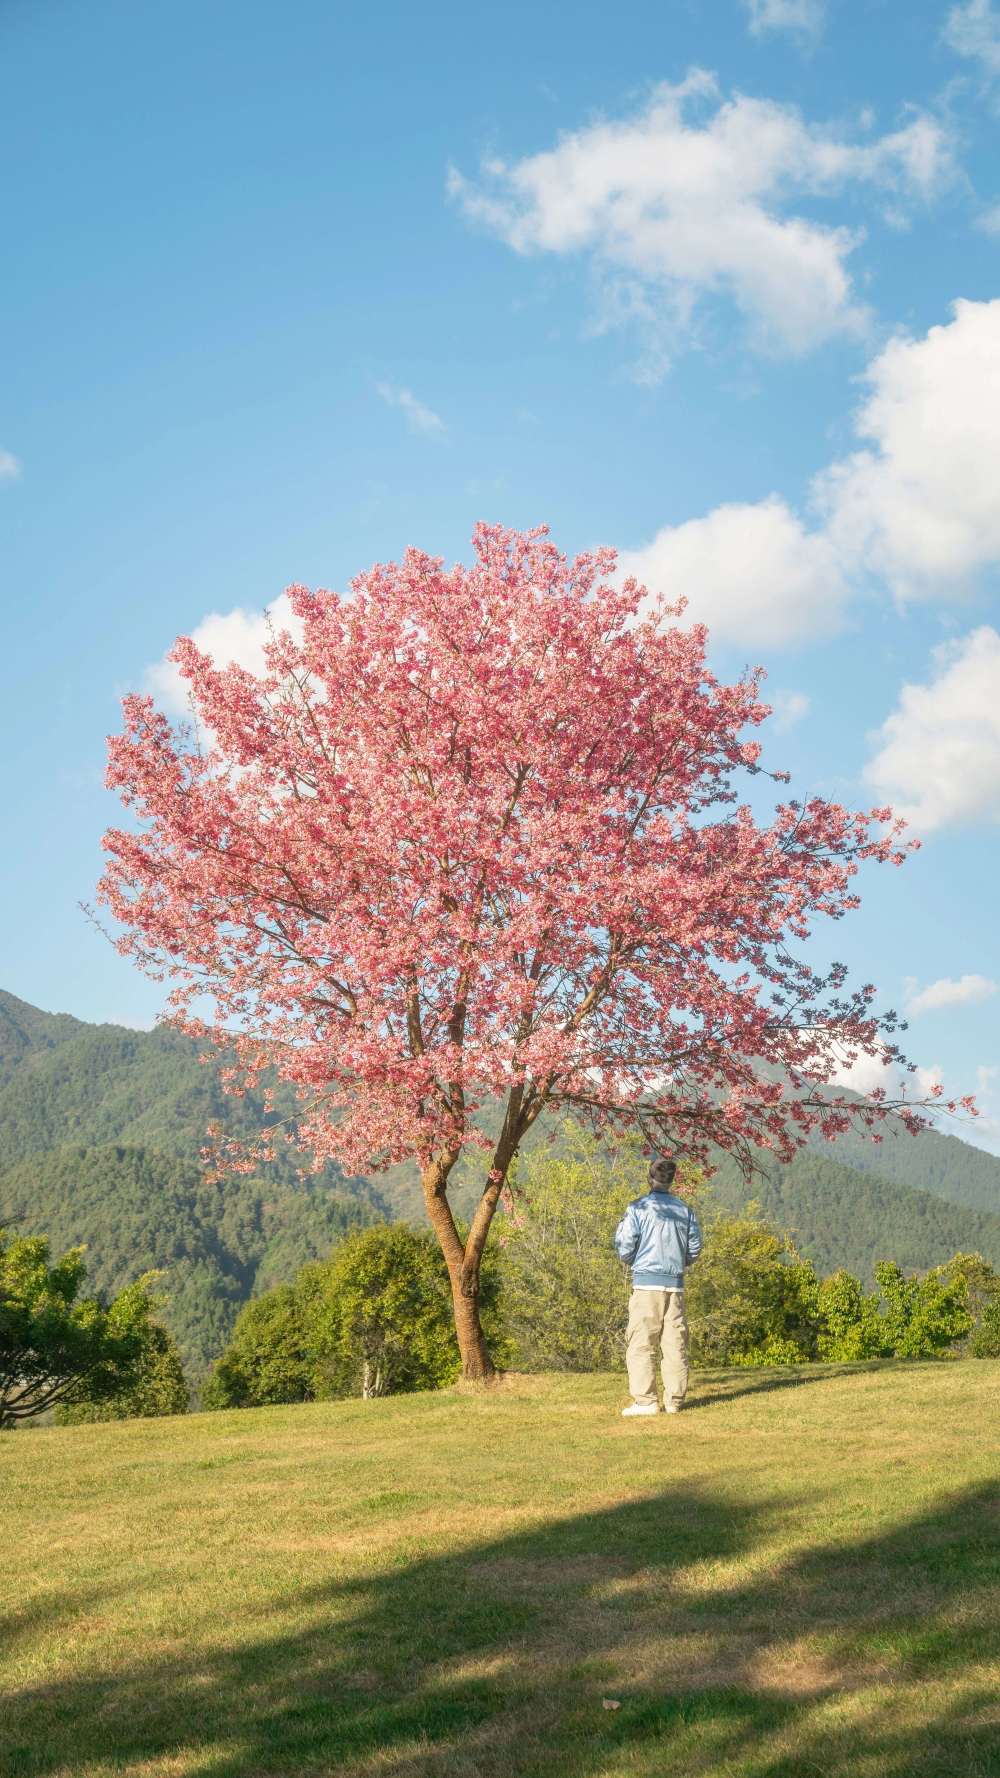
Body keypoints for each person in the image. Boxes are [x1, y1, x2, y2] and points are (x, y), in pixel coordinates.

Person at [613, 1156, 703, 1417]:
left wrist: (633, 1259)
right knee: (675, 1343)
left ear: (649, 1179)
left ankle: (646, 1401)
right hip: (675, 1286)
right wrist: (678, 1263)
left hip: (646, 1284)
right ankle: (675, 1400)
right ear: (671, 1181)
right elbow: (695, 1248)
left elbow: (625, 1248)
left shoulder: (638, 1208)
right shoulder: (684, 1210)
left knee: (641, 1343)